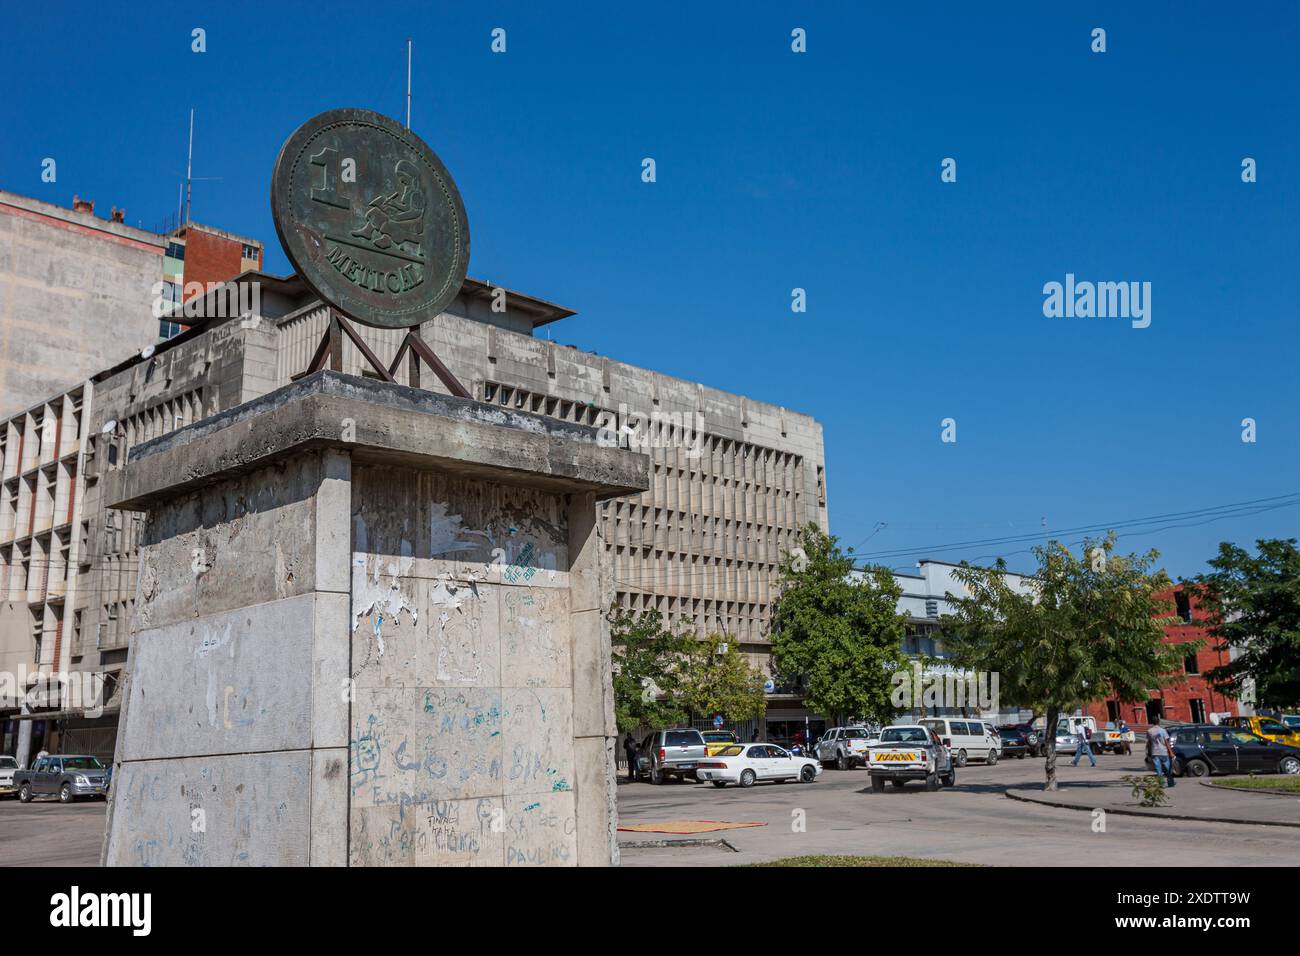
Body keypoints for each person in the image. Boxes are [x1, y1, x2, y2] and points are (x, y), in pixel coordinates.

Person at [1146, 716, 1176, 787]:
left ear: (1152, 722)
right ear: (1159, 722)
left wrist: (1149, 752)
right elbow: (1167, 742)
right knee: (1168, 768)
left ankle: (1161, 784)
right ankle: (1170, 783)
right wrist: (1171, 752)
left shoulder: (1149, 731)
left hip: (1154, 752)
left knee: (1158, 769)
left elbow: (1149, 742)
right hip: (1163, 752)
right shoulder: (1163, 730)